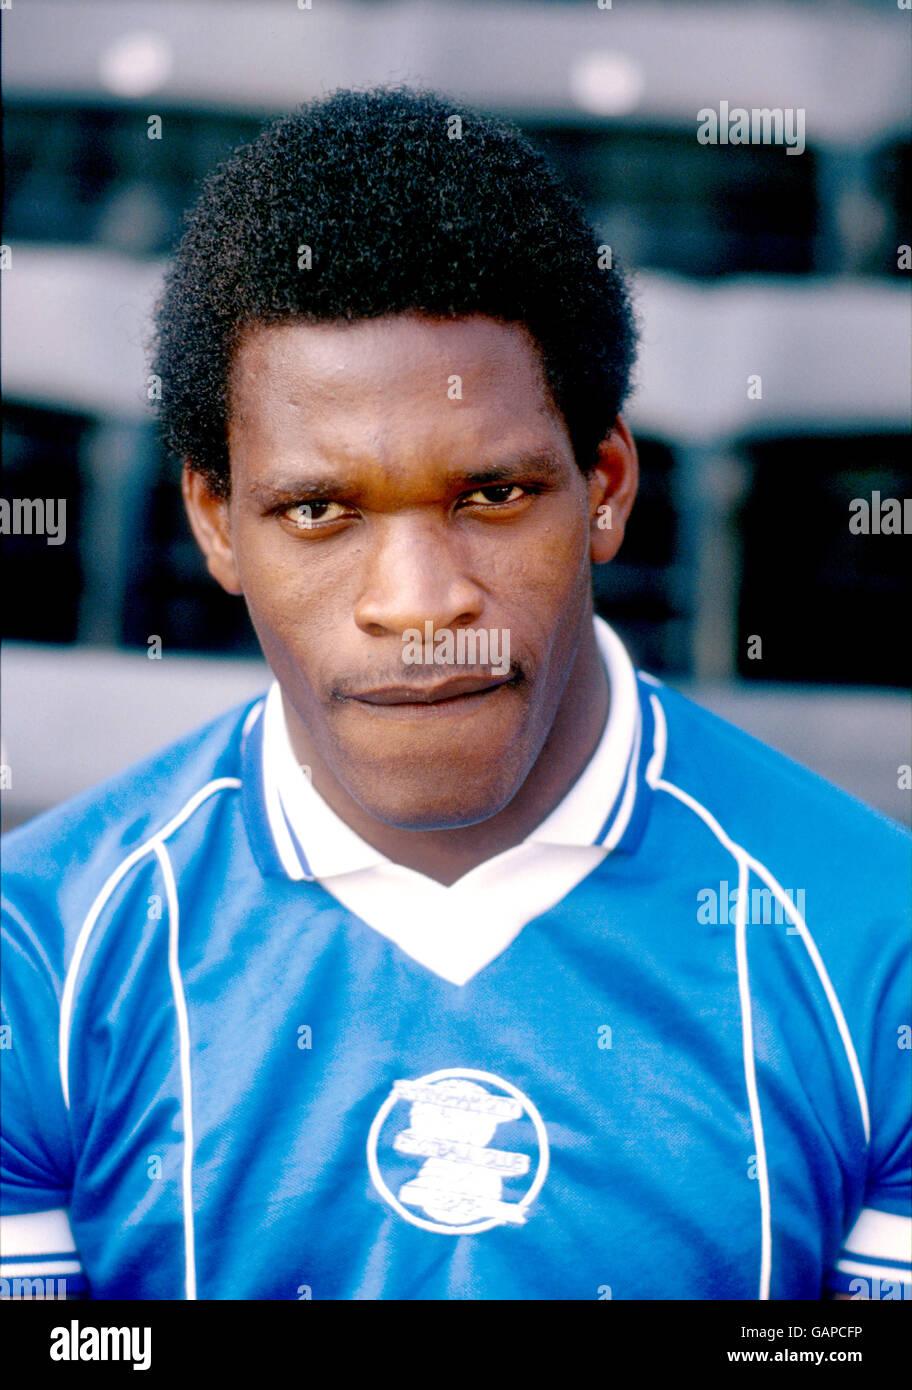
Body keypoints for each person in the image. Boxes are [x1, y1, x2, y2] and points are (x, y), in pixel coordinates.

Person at [1, 88, 908, 1302]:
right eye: (318, 511)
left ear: (607, 485)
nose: (419, 604)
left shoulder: (872, 943)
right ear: (216, 522)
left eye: (491, 496)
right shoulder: (39, 959)